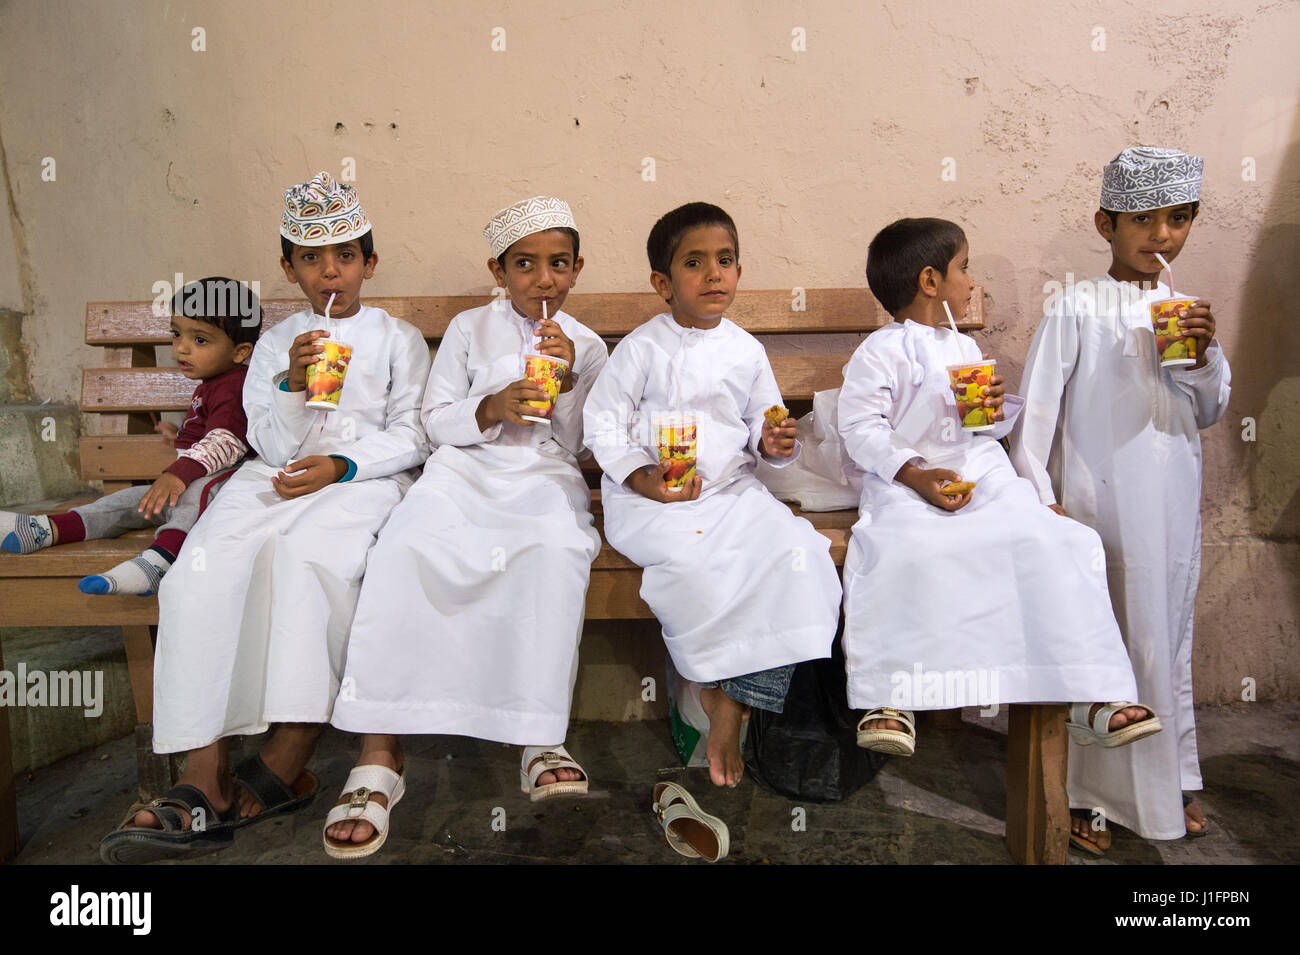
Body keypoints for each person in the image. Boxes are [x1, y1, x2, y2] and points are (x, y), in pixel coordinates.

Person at [98, 171, 430, 863]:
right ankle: (203, 773)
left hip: (362, 478)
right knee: (200, 573)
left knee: (308, 561)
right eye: (312, 257)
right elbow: (268, 441)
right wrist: (288, 386)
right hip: (271, 478)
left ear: (370, 261)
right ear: (290, 267)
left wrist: (341, 466)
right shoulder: (280, 343)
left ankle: (288, 750)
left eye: (344, 254)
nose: (329, 270)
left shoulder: (398, 339)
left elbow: (413, 434)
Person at [324, 196, 608, 858]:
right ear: (499, 269)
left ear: (576, 269)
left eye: (558, 264)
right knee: (403, 546)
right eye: (526, 264)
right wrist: (489, 406)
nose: (544, 279)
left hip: (542, 475)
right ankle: (378, 751)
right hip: (462, 472)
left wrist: (566, 381)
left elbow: (583, 444)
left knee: (555, 548)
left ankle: (537, 734)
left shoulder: (588, 346)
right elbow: (434, 420)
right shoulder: (466, 328)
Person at [838, 217, 1160, 766]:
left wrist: (987, 411)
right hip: (906, 482)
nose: (973, 281)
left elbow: (980, 430)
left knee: (1059, 540)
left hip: (980, 473)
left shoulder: (963, 348)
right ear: (930, 282)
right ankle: (888, 698)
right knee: (896, 549)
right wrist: (915, 473)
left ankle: (1088, 688)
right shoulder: (879, 351)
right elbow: (860, 427)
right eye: (965, 268)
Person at [1010, 147, 1230, 851]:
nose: (1161, 235)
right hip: (1097, 511)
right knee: (1106, 648)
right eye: (1143, 218)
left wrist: (1205, 357)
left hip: (1170, 505)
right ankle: (1085, 795)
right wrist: (1039, 501)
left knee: (1163, 642)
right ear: (1105, 223)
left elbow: (1209, 409)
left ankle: (1165, 785)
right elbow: (1035, 417)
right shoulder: (1077, 306)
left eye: (1179, 218)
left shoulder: (1182, 310)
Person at [584, 202, 842, 789]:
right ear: (663, 282)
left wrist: (776, 443)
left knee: (800, 558)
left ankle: (733, 698)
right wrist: (643, 476)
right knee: (696, 565)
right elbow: (602, 426)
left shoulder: (745, 349)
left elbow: (764, 426)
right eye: (694, 263)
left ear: (739, 271)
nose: (713, 274)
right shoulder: (641, 348)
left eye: (724, 261)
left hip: (731, 492)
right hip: (654, 500)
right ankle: (717, 688)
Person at [1, 277, 260, 595]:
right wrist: (180, 435)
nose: (181, 347)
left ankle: (158, 563)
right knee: (126, 502)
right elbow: (211, 430)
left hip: (225, 492)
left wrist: (179, 472)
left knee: (197, 495)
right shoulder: (213, 382)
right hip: (189, 483)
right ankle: (46, 529)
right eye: (176, 334)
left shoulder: (235, 384)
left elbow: (226, 441)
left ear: (240, 351)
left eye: (200, 340)